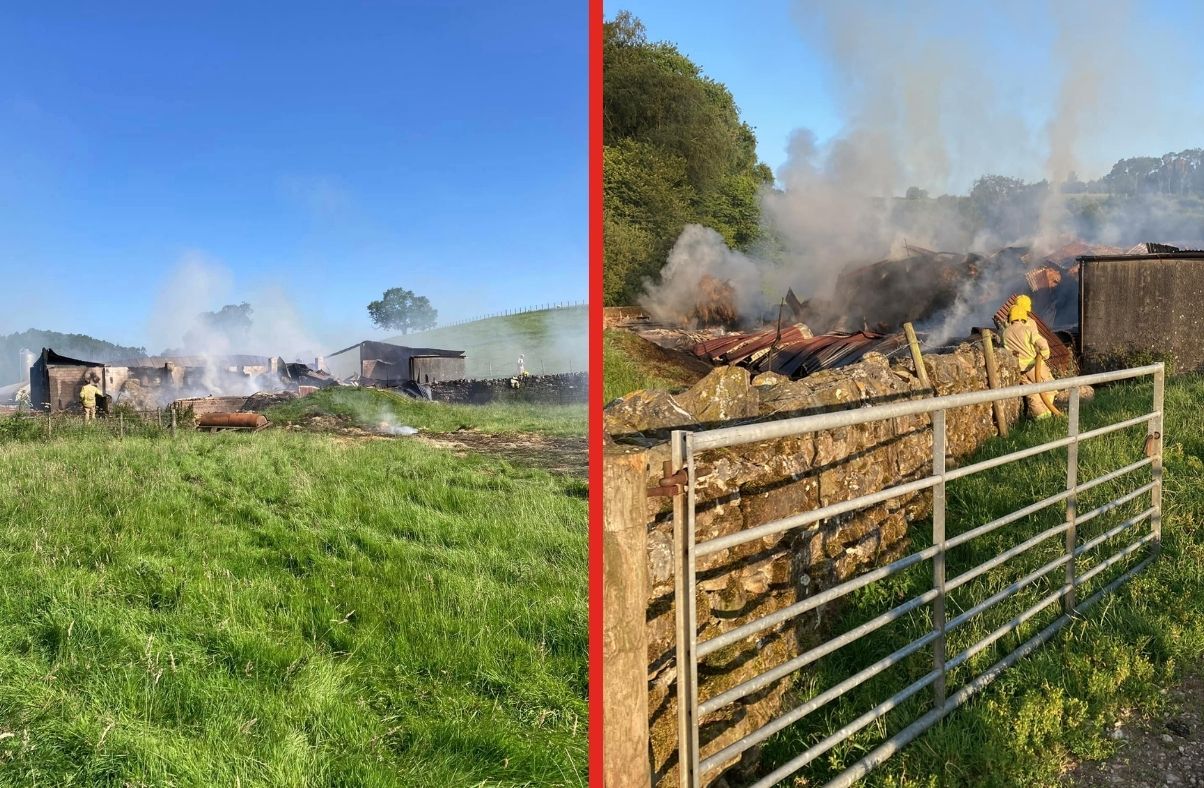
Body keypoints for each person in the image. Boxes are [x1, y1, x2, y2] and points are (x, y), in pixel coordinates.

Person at [1001, 295, 1059, 419]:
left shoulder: (1005, 332)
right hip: (1034, 366)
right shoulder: (1028, 327)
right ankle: (1050, 412)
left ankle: (1042, 418)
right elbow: (1041, 343)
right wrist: (1045, 355)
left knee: (1032, 394)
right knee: (1050, 388)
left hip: (1020, 370)